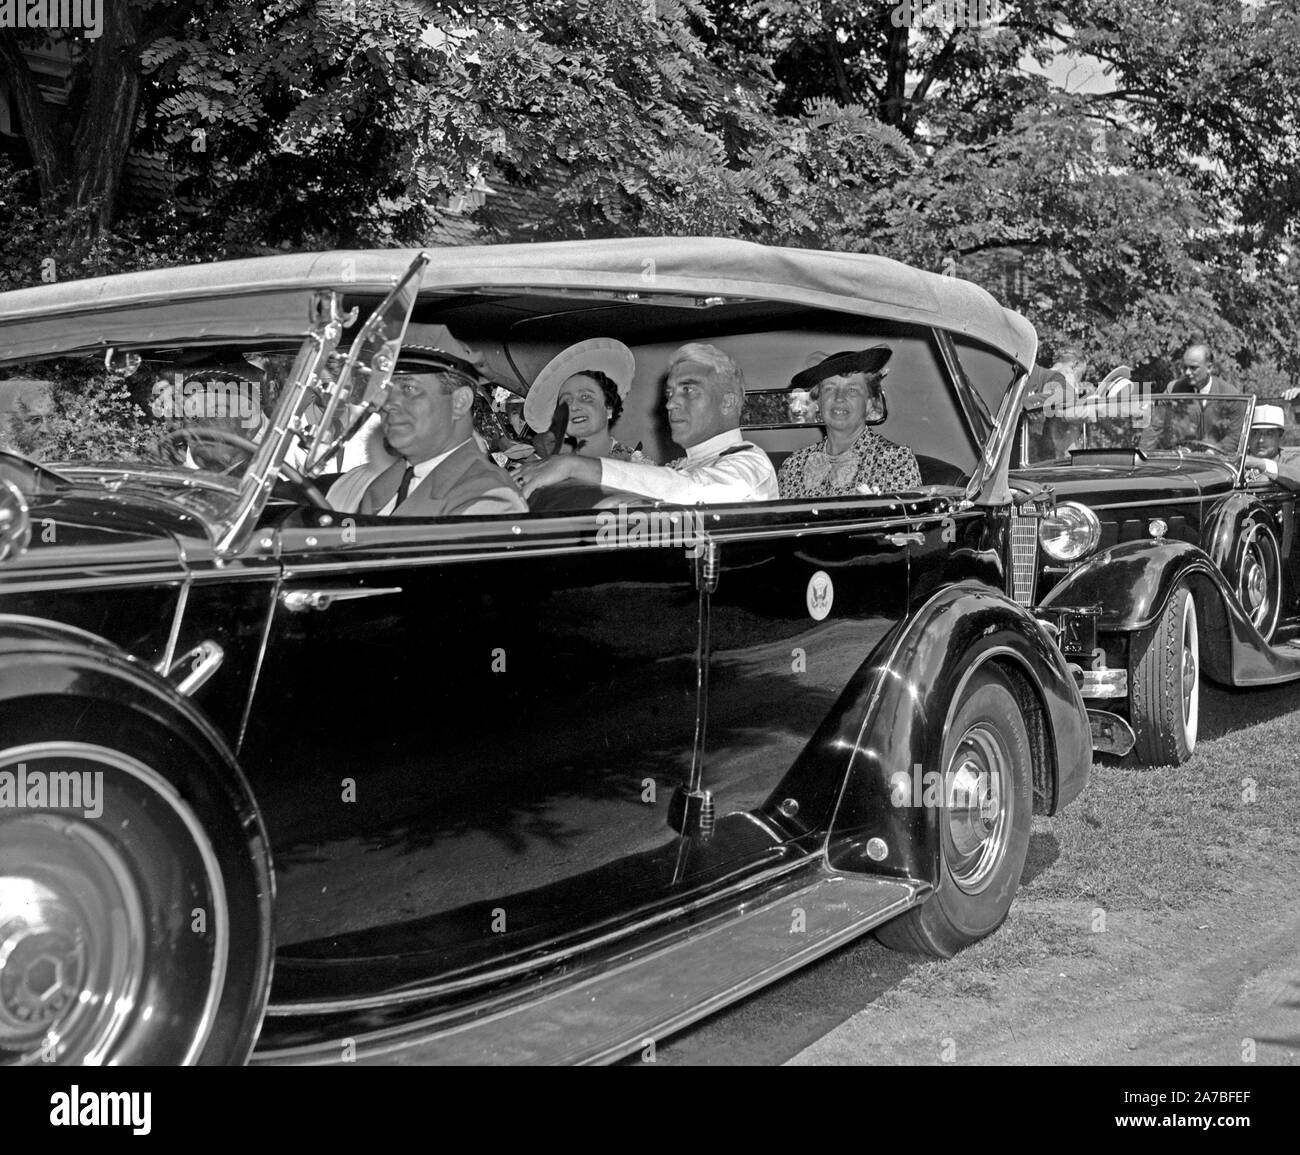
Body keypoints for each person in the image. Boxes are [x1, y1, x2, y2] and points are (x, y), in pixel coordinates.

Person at [516, 342, 777, 503]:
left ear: (728, 402)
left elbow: (692, 492)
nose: (670, 403)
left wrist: (572, 465)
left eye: (688, 390)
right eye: (670, 393)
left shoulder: (751, 465)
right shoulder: (681, 465)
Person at [327, 339, 528, 518]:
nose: (386, 403)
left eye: (409, 388)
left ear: (459, 401)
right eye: (385, 389)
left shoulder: (490, 500)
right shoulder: (384, 481)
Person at [777, 346, 921, 498]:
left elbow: (905, 513)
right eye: (830, 389)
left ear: (869, 403)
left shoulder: (895, 460)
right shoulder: (793, 465)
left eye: (852, 390)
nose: (839, 398)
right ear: (818, 402)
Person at [520, 338, 644, 462]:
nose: (573, 406)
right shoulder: (543, 465)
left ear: (609, 409)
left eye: (585, 397)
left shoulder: (636, 467)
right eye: (565, 401)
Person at [1245, 404, 1300, 490]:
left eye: (1269, 434)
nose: (1261, 440)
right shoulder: (1237, 461)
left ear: (1280, 436)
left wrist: (1261, 465)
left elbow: (1297, 476)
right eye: (1255, 433)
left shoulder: (1291, 459)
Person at [1165, 343, 1238, 396]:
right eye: (1185, 367)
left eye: (1193, 368)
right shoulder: (1174, 389)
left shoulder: (1229, 395)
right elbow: (1160, 411)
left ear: (1209, 368)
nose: (1187, 372)